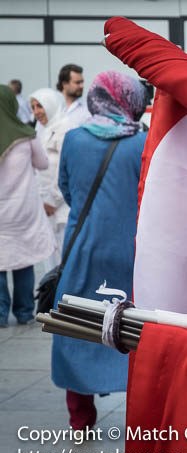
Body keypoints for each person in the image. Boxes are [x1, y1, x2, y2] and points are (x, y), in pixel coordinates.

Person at [51, 71, 148, 430]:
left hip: (82, 249)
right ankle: (139, 417)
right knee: (134, 329)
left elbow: (66, 187)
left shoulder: (74, 139)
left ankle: (80, 417)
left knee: (77, 325)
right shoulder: (143, 143)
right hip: (132, 250)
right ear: (130, 101)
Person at [0, 85, 56, 326]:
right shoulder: (26, 135)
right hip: (23, 210)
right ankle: (24, 312)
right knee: (24, 259)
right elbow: (43, 164)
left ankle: (0, 314)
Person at [29, 87, 77, 268]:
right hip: (46, 206)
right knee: (51, 261)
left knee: (64, 261)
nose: (36, 112)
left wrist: (52, 199)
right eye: (33, 107)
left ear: (50, 104)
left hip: (61, 205)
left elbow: (67, 169)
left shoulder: (65, 128)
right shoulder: (43, 129)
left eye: (39, 106)